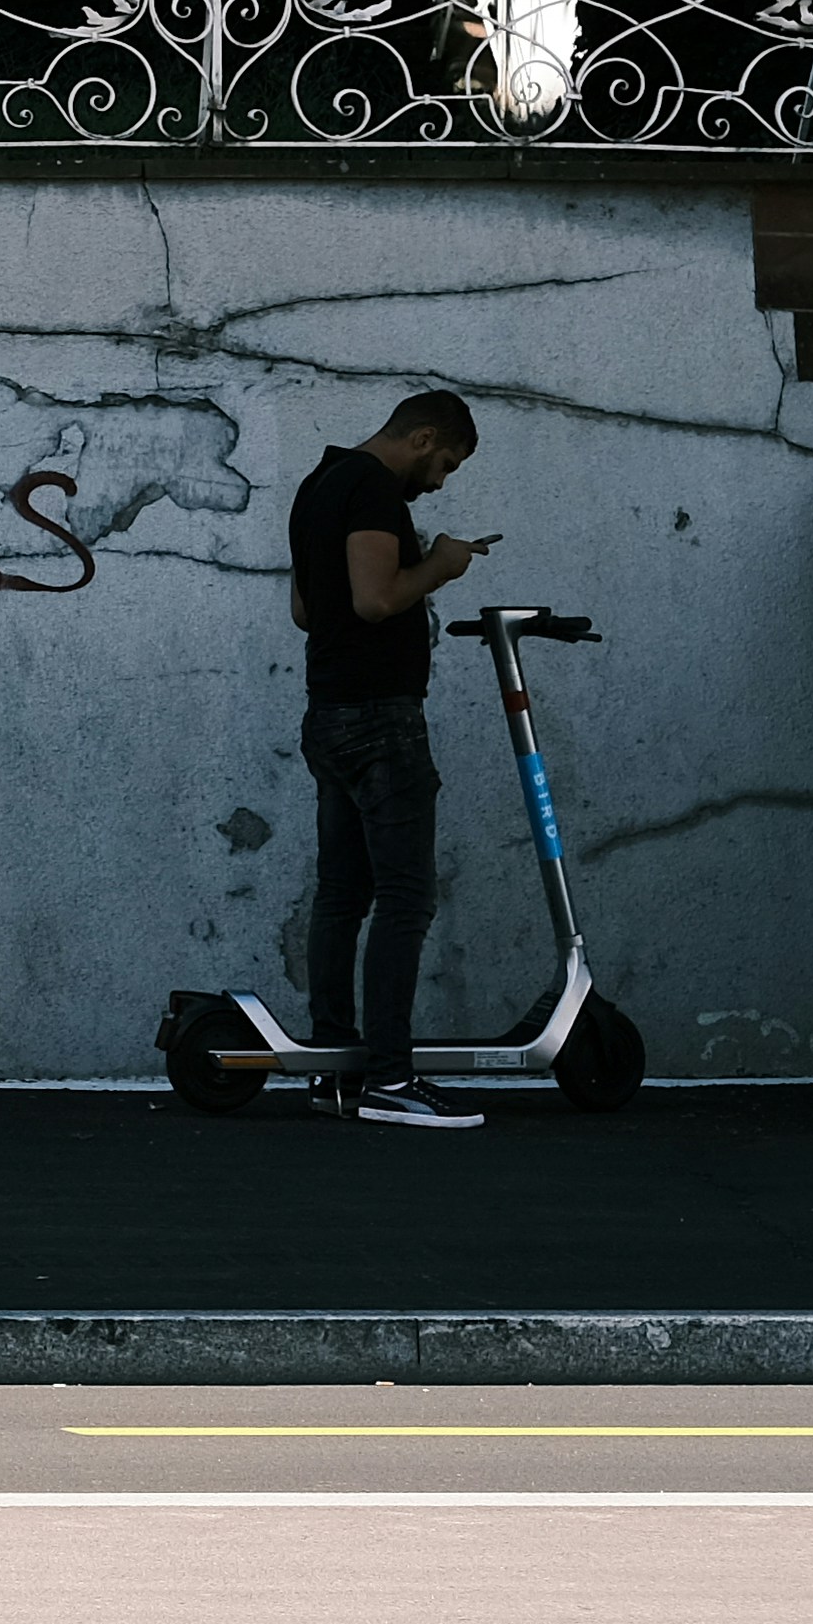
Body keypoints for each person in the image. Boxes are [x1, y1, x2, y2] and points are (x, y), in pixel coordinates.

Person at [287, 387, 493, 1126]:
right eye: (443, 464)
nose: (438, 482)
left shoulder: (319, 485)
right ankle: (390, 1081)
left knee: (343, 894)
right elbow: (376, 600)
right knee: (406, 897)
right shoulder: (374, 487)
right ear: (423, 436)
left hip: (330, 714)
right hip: (381, 720)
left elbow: (308, 610)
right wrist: (440, 564)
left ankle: (334, 1068)